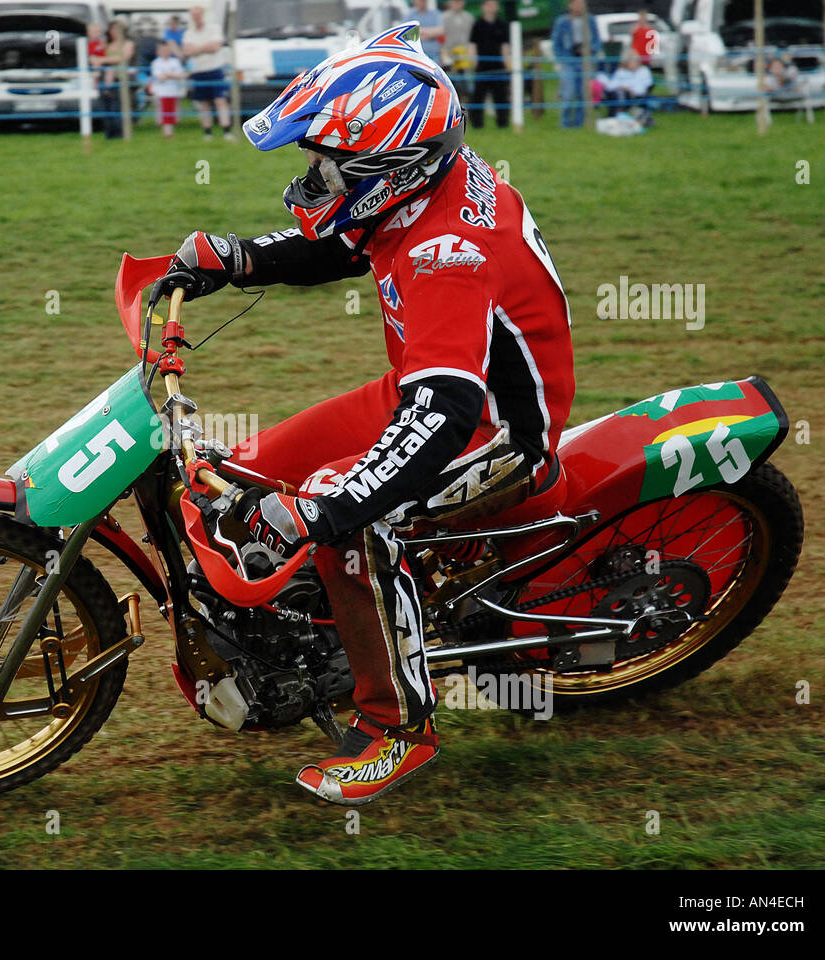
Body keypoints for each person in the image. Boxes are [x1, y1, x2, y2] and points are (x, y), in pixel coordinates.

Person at [154, 21, 574, 805]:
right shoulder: (420, 180)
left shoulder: (449, 253)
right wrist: (241, 257)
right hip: (426, 387)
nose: (313, 179)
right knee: (241, 472)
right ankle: (302, 639)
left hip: (496, 431)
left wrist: (327, 508)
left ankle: (396, 729)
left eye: (328, 166)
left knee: (348, 524)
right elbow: (349, 240)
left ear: (392, 167)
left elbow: (445, 413)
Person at [181, 4, 232, 140]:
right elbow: (187, 50)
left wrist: (196, 49)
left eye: (198, 14)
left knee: (220, 100)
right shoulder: (188, 33)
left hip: (215, 69)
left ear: (202, 15)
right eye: (193, 15)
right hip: (198, 71)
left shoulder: (214, 29)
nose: (196, 17)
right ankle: (208, 132)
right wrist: (205, 47)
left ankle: (227, 131)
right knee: (203, 103)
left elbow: (215, 47)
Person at [551, 0, 602, 128]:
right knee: (568, 93)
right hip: (569, 60)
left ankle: (579, 123)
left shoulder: (590, 20)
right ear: (570, 5)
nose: (579, 6)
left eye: (582, 3)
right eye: (576, 3)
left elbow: (597, 40)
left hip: (585, 60)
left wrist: (591, 49)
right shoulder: (562, 21)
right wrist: (561, 59)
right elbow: (556, 42)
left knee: (583, 93)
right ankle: (565, 123)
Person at [468, 0, 510, 128]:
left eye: (494, 4)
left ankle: (503, 124)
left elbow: (505, 46)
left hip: (498, 67)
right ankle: (477, 124)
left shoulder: (502, 25)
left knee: (501, 97)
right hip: (482, 67)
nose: (491, 7)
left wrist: (507, 63)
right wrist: (474, 61)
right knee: (478, 97)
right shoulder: (478, 25)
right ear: (483, 7)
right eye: (489, 4)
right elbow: (473, 44)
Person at [92, 19, 134, 138]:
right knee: (105, 107)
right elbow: (95, 57)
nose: (114, 32)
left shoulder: (128, 44)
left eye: (117, 29)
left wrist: (101, 60)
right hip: (104, 78)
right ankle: (109, 133)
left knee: (117, 107)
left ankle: (120, 133)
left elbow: (123, 58)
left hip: (119, 79)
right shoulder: (106, 45)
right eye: (112, 29)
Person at [149, 40, 185, 137]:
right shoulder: (156, 63)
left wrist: (167, 74)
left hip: (173, 91)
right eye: (163, 50)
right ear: (158, 51)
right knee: (164, 113)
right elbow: (160, 77)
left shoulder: (175, 61)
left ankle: (170, 132)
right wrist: (171, 74)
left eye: (167, 50)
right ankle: (167, 134)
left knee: (172, 113)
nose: (165, 52)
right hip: (161, 92)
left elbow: (180, 75)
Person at [605, 51, 653, 116]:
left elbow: (645, 87)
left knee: (621, 95)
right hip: (620, 94)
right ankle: (618, 113)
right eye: (630, 61)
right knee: (619, 93)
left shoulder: (644, 71)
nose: (633, 63)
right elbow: (610, 86)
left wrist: (631, 90)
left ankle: (618, 114)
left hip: (636, 96)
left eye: (634, 61)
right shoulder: (621, 72)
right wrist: (622, 87)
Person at [441, 0, 474, 94]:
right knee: (449, 83)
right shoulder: (444, 17)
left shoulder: (469, 18)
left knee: (465, 85)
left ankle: (465, 105)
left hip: (465, 56)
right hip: (449, 56)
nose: (457, 3)